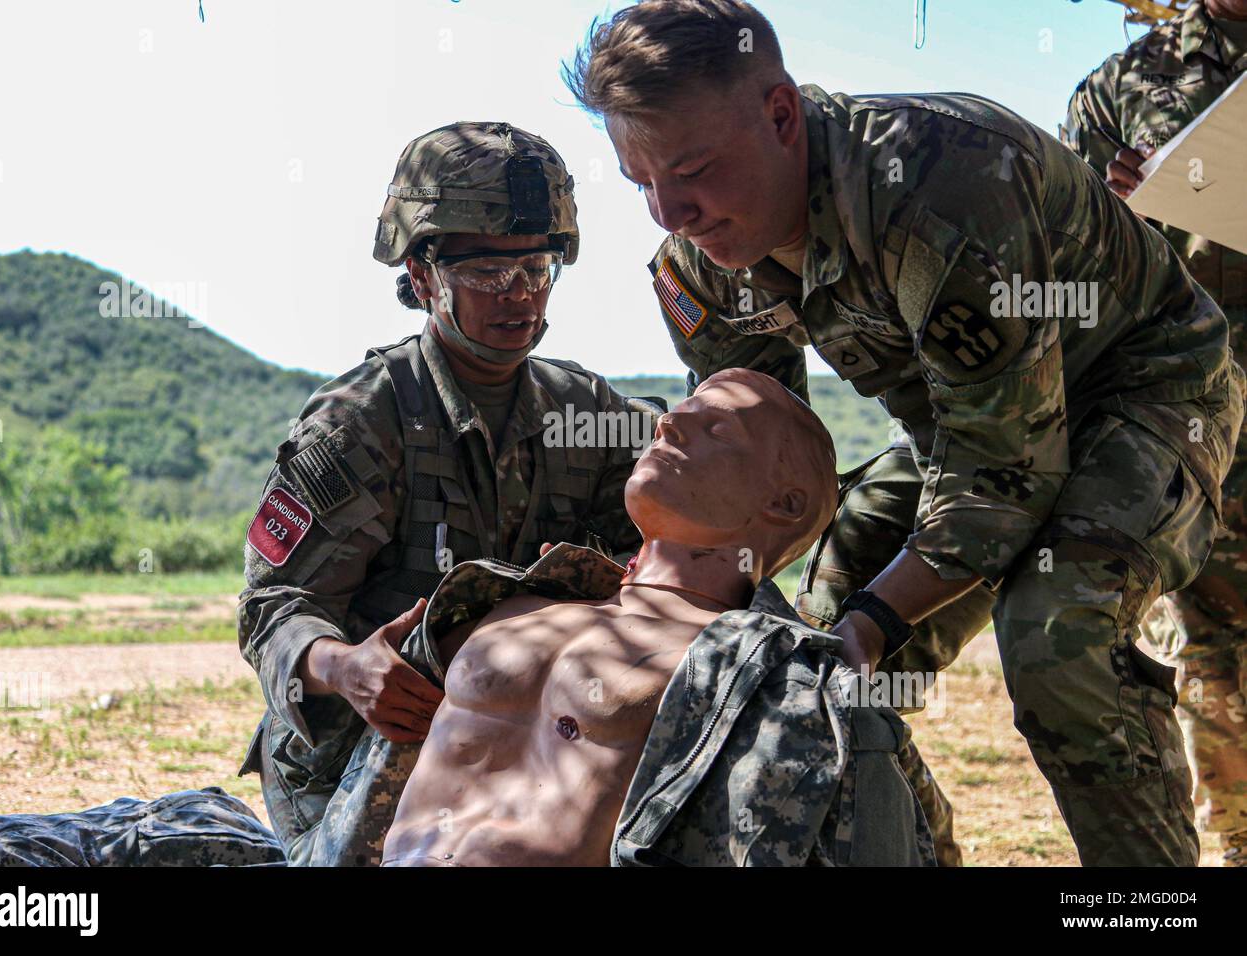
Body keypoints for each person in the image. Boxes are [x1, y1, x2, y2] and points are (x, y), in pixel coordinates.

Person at [563, 0, 1245, 866]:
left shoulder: (944, 185)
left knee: (1054, 636)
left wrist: (881, 619)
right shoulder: (704, 261)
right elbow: (751, 477)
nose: (670, 211)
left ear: (779, 114)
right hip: (960, 431)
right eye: (639, 182)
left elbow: (1006, 474)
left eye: (693, 169)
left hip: (1139, 390)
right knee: (806, 654)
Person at [236, 121, 660, 864]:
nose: (520, 297)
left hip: (529, 736)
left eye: (537, 271)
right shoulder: (361, 424)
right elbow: (273, 609)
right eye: (489, 276)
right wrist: (347, 667)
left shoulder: (588, 411)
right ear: (423, 273)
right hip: (364, 754)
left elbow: (660, 551)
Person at [307, 368, 935, 867]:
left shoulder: (781, 681)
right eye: (679, 413)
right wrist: (340, 663)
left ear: (785, 504)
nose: (669, 425)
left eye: (718, 430)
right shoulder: (504, 601)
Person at [1062, 0, 1247, 865]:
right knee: (1215, 650)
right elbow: (1063, 256)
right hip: (1194, 411)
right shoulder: (1120, 86)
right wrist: (1117, 214)